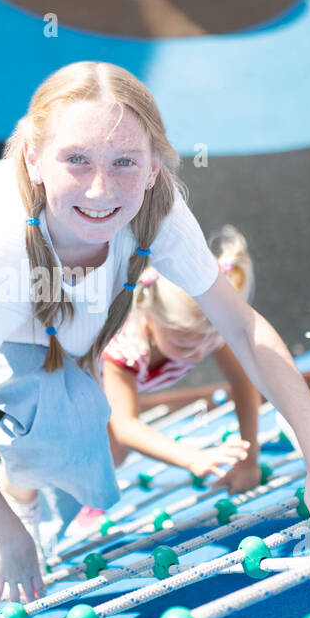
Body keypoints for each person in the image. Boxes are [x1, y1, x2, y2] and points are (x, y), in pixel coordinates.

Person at [0, 61, 310, 607]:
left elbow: (240, 326)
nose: (101, 190)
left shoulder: (157, 211)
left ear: (152, 168)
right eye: (75, 159)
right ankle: (19, 495)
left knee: (86, 437)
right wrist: (7, 532)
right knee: (61, 415)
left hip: (63, 295)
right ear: (32, 155)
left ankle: (34, 474)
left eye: (124, 161)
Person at [71, 226, 262, 537]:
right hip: (70, 384)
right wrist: (192, 458)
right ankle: (25, 495)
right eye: (185, 344)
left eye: (209, 338)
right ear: (150, 318)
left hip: (103, 390)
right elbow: (127, 427)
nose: (199, 350)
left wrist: (249, 459)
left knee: (112, 455)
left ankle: (85, 492)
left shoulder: (204, 328)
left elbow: (244, 384)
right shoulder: (126, 348)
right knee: (101, 454)